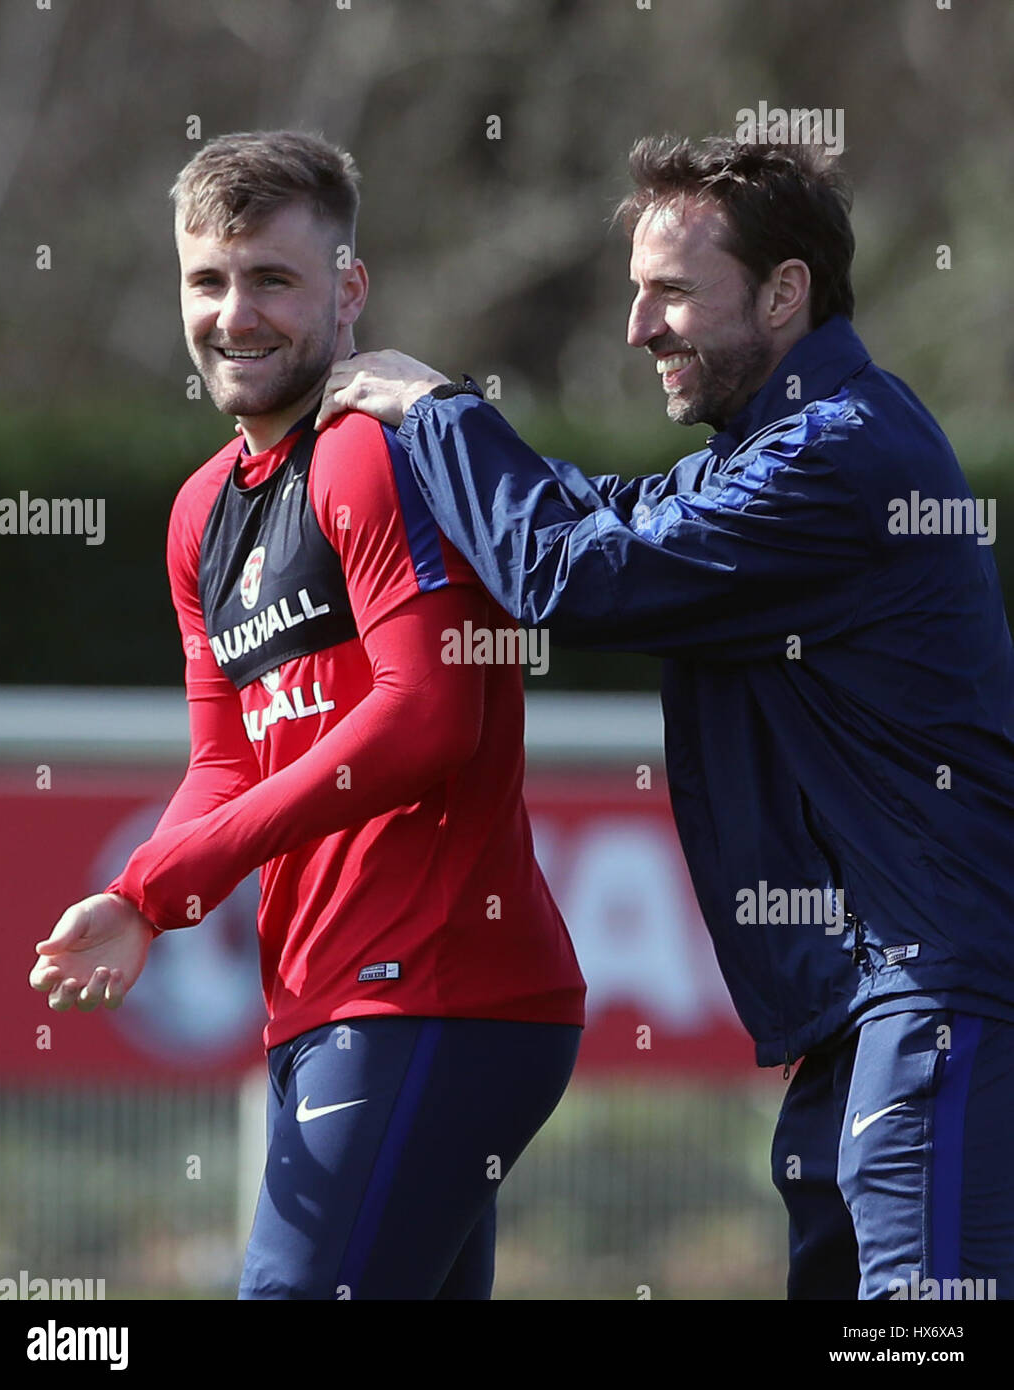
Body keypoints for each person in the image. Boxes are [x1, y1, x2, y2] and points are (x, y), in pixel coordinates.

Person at [317, 135, 1014, 1301]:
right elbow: (588, 511)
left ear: (784, 292)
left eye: (672, 292)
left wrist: (437, 412)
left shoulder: (836, 455)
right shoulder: (775, 448)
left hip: (934, 985)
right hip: (871, 1001)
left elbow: (575, 574)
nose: (638, 327)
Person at [28, 129, 585, 1301]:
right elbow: (222, 763)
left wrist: (162, 887)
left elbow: (428, 717)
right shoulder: (198, 512)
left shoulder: (370, 456)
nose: (234, 315)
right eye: (207, 280)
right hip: (327, 1001)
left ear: (348, 287)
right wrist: (136, 893)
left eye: (272, 279)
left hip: (432, 989)